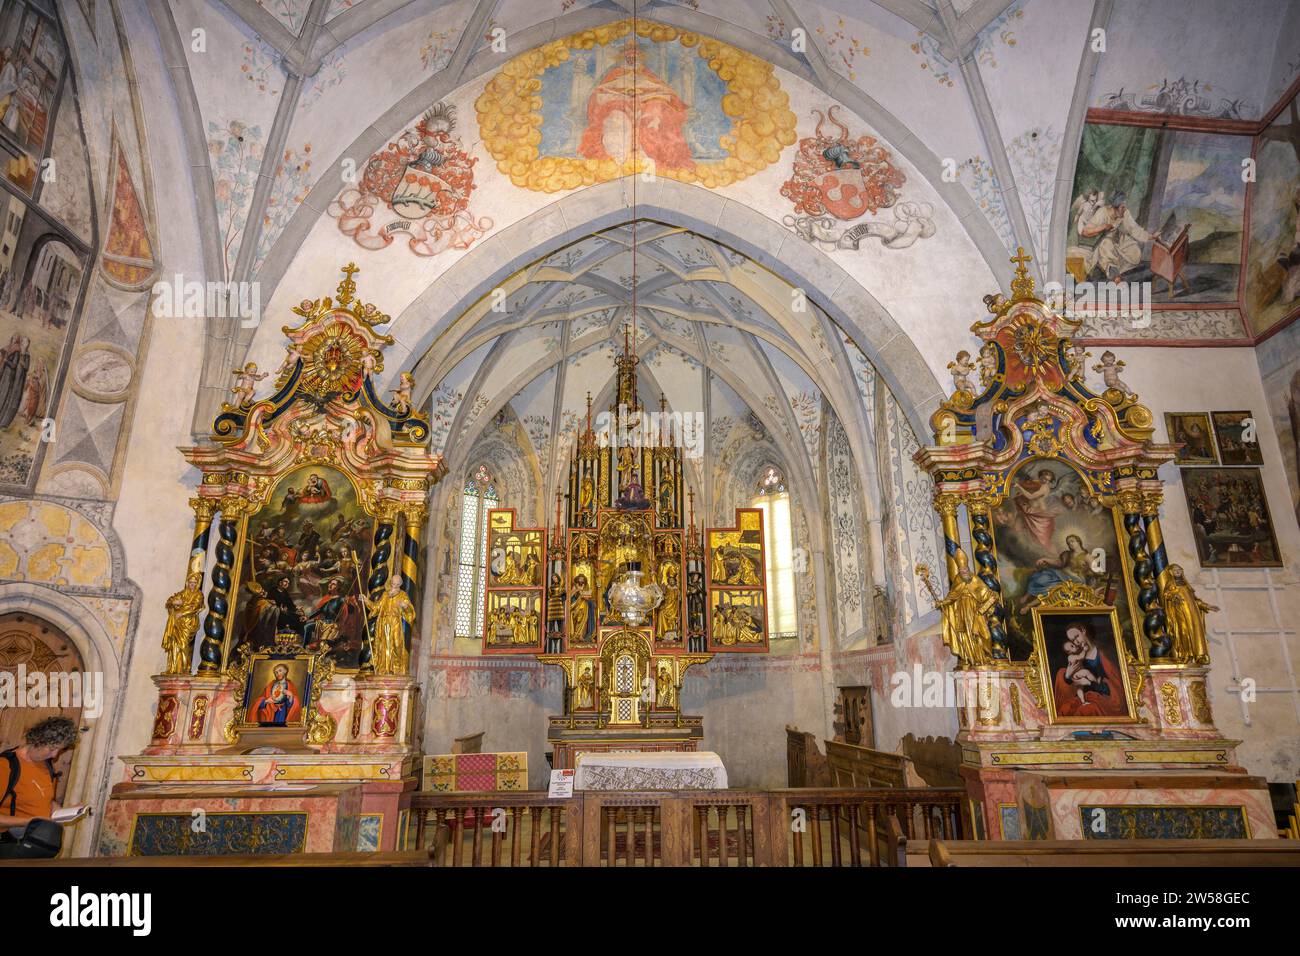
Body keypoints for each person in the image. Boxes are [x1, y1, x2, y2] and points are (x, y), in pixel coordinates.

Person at [0, 717, 80, 859]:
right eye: (52, 748)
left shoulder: (47, 766)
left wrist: (64, 812)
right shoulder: (6, 766)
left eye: (59, 750)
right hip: (10, 844)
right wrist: (32, 821)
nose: (55, 755)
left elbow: (47, 801)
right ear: (37, 740)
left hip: (38, 844)